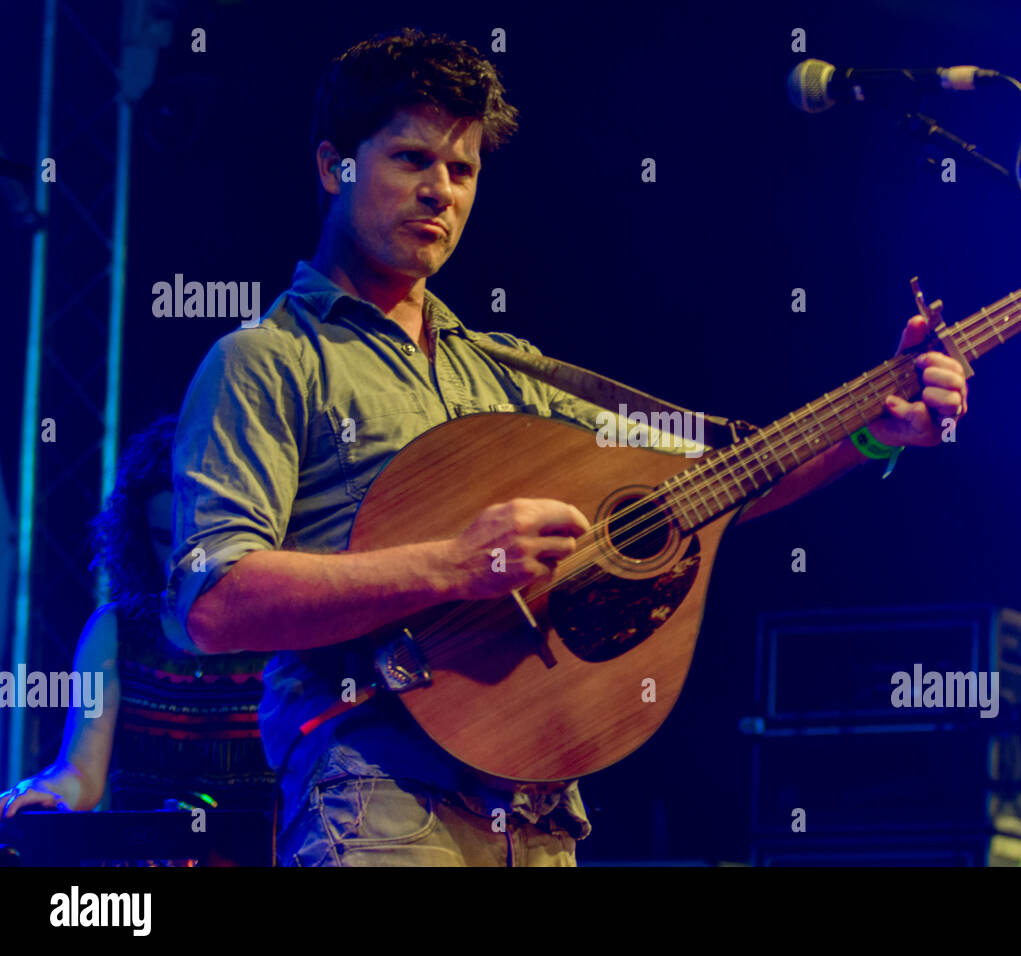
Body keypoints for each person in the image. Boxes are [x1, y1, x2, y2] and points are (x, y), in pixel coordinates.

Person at [164, 28, 969, 866]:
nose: (440, 191)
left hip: (542, 811)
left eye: (463, 170)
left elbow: (718, 485)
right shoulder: (266, 359)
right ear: (336, 168)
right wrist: (453, 565)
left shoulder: (508, 370)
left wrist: (873, 431)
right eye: (410, 160)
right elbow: (210, 604)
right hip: (380, 796)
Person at [0, 415, 274, 819]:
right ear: (141, 536)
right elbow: (79, 773)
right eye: (164, 538)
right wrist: (46, 789)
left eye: (197, 539)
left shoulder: (284, 632)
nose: (181, 559)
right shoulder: (114, 631)